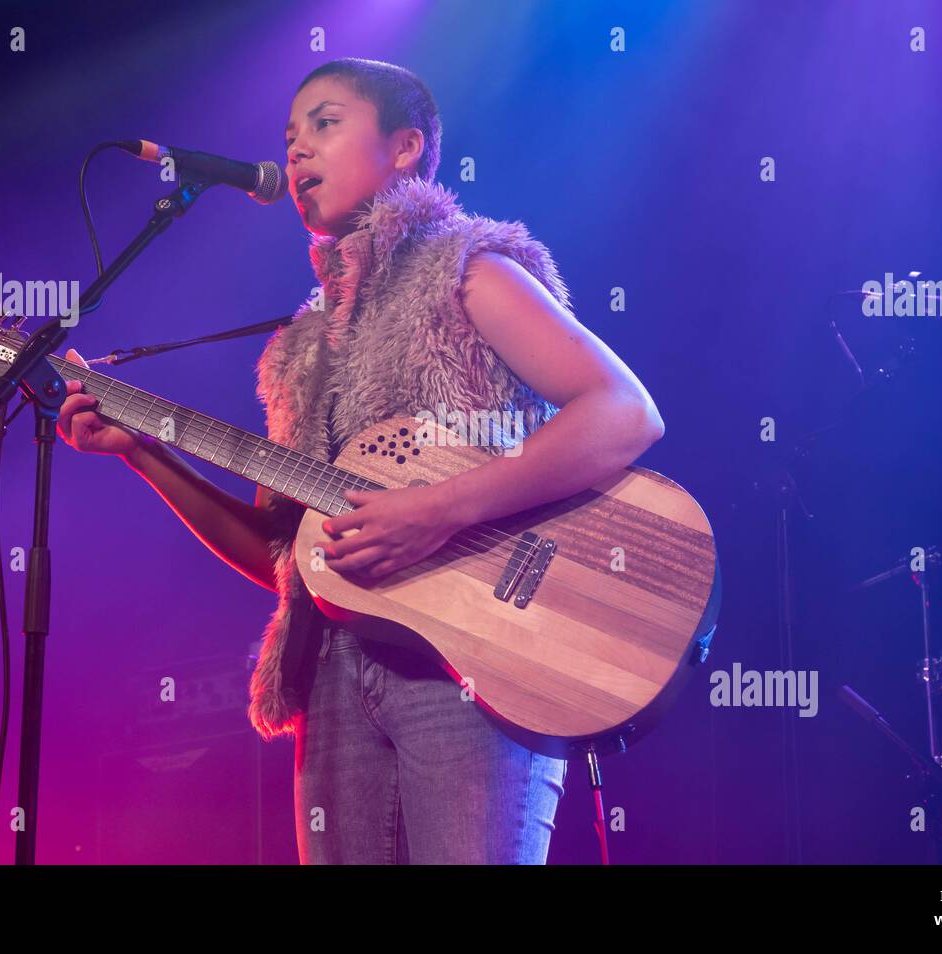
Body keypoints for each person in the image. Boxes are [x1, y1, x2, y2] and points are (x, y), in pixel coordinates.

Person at [55, 58, 664, 864]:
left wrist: (437, 510)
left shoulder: (468, 270)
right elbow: (285, 557)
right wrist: (144, 455)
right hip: (334, 674)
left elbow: (625, 413)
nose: (297, 150)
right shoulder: (296, 350)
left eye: (325, 123)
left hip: (474, 664)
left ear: (406, 147)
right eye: (288, 135)